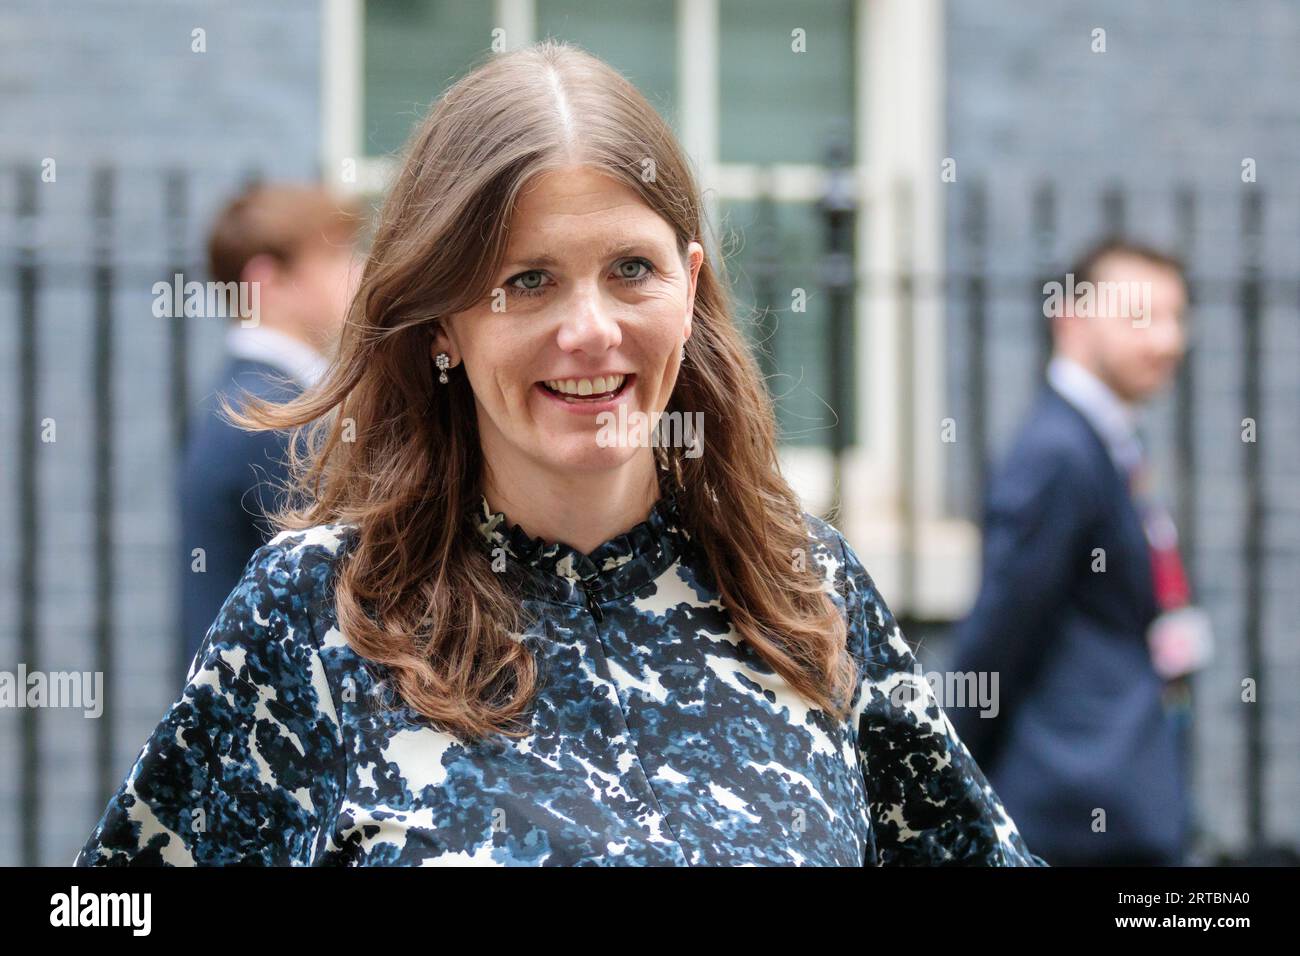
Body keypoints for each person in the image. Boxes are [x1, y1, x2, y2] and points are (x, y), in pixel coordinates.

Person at [76, 40, 1044, 867]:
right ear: (442, 322)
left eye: (631, 269)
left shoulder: (804, 585)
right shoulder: (317, 609)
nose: (590, 331)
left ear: (690, 283)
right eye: (526, 281)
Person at [947, 238, 1198, 866]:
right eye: (1142, 316)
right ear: (1071, 319)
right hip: (1073, 809)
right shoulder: (1058, 452)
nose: (1167, 340)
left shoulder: (1105, 443)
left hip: (1118, 795)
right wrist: (946, 781)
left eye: (1176, 317)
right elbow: (1000, 631)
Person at [178, 183, 362, 667]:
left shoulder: (250, 396)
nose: (359, 273)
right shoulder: (273, 415)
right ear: (269, 281)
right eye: (336, 258)